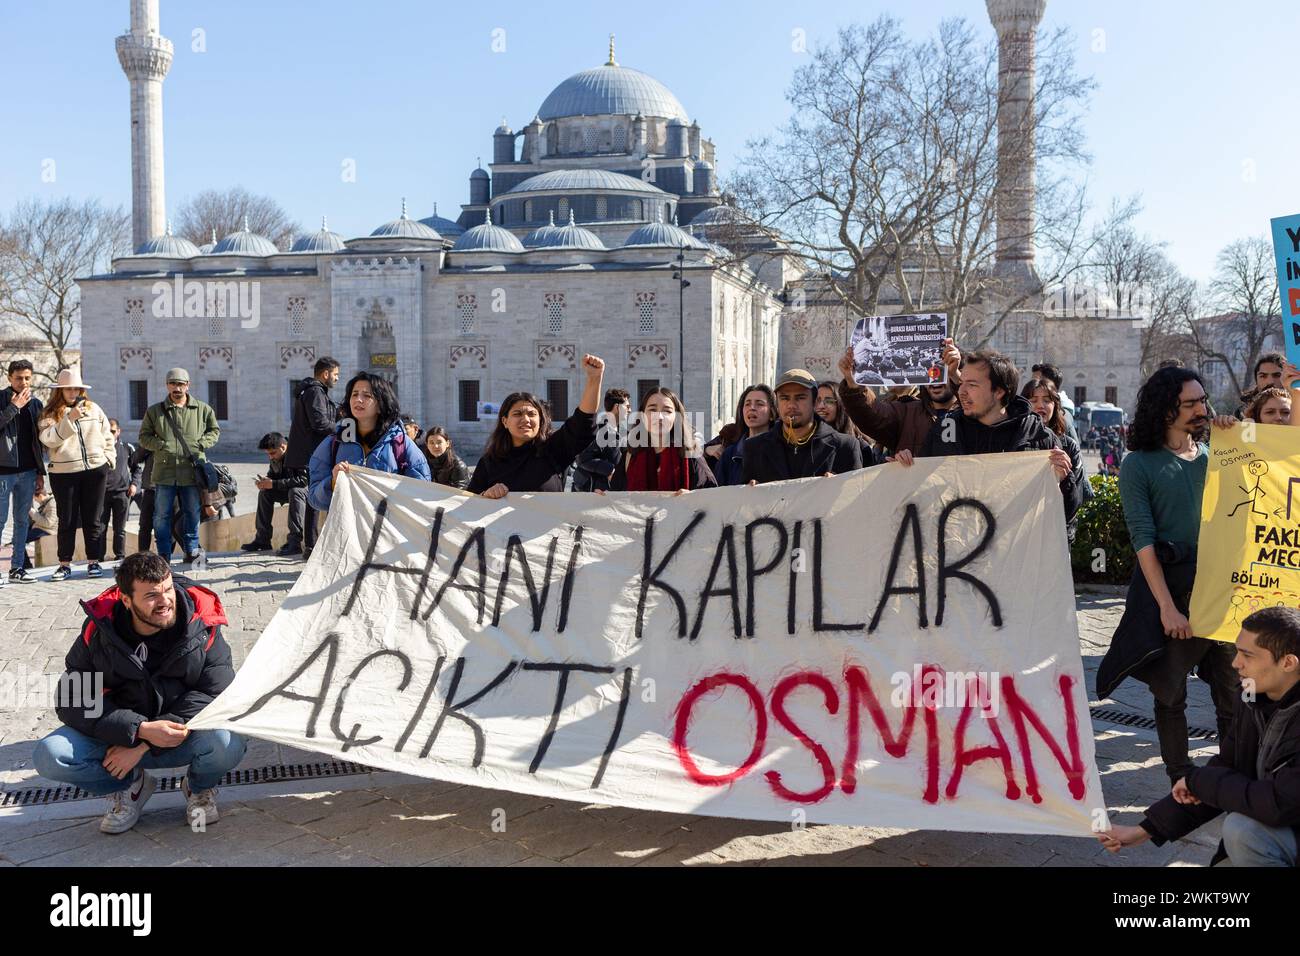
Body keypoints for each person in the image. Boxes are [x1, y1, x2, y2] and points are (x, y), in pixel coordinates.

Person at [31, 552, 246, 834]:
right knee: (51, 755)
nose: (165, 601)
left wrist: (145, 744)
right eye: (152, 596)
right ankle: (131, 785)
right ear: (126, 599)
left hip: (181, 734)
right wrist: (139, 730)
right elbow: (73, 699)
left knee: (228, 741)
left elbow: (216, 691)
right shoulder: (100, 630)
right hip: (119, 738)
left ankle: (199, 788)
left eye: (168, 589)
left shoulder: (201, 623)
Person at [1096, 367, 1239, 786]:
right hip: (1171, 589)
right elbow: (1144, 541)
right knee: (1169, 689)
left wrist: (1236, 434)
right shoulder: (1138, 464)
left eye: (1203, 400)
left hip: (1218, 589)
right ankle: (1180, 776)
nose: (1202, 409)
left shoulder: (1216, 455)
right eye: (1191, 403)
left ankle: (1230, 772)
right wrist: (1167, 609)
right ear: (1165, 410)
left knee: (1231, 689)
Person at [1099, 606, 1300, 867]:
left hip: (1280, 830)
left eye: (1247, 655)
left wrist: (1198, 781)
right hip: (1280, 838)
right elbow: (1229, 768)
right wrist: (1146, 829)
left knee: (1242, 831)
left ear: (1287, 662)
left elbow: (1278, 803)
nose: (1235, 663)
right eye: (1237, 650)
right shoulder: (1251, 695)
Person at [467, 354, 606, 498]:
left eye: (532, 414)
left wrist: (594, 379)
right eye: (517, 414)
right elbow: (467, 506)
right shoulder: (489, 462)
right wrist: (485, 495)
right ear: (505, 421)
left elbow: (583, 421)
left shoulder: (553, 450)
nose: (526, 419)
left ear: (540, 420)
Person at [307, 372, 431, 512]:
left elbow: (422, 492)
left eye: (367, 395)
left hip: (386, 530)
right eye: (354, 394)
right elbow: (314, 499)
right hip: (348, 531)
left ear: (380, 404)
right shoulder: (334, 442)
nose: (358, 400)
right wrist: (333, 482)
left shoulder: (400, 444)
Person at [38, 368, 116, 582]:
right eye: (68, 388)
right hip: (64, 473)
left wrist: (109, 459)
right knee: (67, 519)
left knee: (94, 518)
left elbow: (107, 435)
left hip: (95, 470)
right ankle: (64, 564)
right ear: (60, 391)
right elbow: (49, 439)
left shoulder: (93, 409)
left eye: (76, 388)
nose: (73, 392)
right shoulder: (49, 414)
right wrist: (69, 420)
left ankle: (94, 562)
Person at [137, 368, 220, 566]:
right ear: (167, 385)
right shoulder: (155, 411)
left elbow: (214, 431)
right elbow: (143, 437)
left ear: (188, 385)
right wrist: (161, 445)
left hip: (192, 472)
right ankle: (164, 553)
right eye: (173, 384)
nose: (177, 388)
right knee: (161, 516)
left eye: (181, 384)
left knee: (192, 512)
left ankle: (191, 551)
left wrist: (202, 443)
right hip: (165, 472)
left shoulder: (202, 409)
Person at [742, 369, 862, 484]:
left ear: (814, 402)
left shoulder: (844, 447)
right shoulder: (754, 448)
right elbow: (743, 500)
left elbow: (855, 498)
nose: (791, 405)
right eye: (784, 398)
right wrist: (752, 493)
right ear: (777, 403)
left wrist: (837, 488)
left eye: (800, 398)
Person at [837, 345, 958, 457]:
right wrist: (854, 383)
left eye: (942, 372)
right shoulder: (906, 412)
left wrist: (958, 378)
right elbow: (871, 414)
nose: (935, 379)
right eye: (930, 372)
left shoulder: (971, 413)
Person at [606, 387, 717, 492]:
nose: (659, 417)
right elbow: (617, 499)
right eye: (652, 410)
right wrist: (602, 499)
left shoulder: (691, 454)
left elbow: (711, 497)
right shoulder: (630, 456)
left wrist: (691, 498)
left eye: (667, 411)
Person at [286, 357, 340, 560]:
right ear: (325, 374)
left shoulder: (314, 392)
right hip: (311, 455)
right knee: (315, 499)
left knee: (313, 499)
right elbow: (319, 423)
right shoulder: (315, 392)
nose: (336, 378)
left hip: (310, 454)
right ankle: (311, 546)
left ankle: (311, 545)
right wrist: (342, 428)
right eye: (335, 374)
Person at [0, 359, 45, 585]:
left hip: (28, 472)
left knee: (21, 522)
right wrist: (13, 408)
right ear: (9, 378)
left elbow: (39, 442)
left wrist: (40, 473)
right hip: (2, 472)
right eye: (18, 378)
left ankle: (16, 568)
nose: (23, 382)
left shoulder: (36, 404)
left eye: (27, 378)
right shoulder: (1, 399)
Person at [1022, 378, 1085, 540]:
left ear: (1055, 406)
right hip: (1020, 536)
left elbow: (1075, 503)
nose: (1040, 405)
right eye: (1033, 400)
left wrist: (1065, 478)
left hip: (1056, 537)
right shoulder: (1015, 442)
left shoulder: (1068, 447)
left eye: (1047, 400)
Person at [241, 432, 308, 554]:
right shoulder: (275, 457)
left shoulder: (298, 453)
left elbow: (303, 481)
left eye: (272, 453)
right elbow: (272, 476)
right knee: (264, 494)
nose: (271, 457)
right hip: (286, 490)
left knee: (295, 492)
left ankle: (295, 542)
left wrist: (274, 484)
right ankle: (262, 540)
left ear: (283, 446)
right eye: (268, 454)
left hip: (305, 493)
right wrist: (264, 482)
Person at [713, 385, 778, 487]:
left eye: (759, 404)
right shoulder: (729, 454)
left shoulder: (781, 451)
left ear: (772, 413)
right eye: (747, 404)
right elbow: (715, 492)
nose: (752, 408)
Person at [573, 387, 631, 493]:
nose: (630, 410)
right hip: (593, 497)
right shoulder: (598, 430)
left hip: (615, 494)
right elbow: (582, 458)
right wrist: (610, 470)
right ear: (617, 407)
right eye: (627, 407)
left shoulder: (624, 433)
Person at [816, 380, 878, 467]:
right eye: (817, 401)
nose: (821, 406)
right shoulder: (806, 443)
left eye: (829, 401)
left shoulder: (861, 447)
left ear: (841, 405)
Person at [101, 419, 136, 562]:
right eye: (107, 431)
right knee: (100, 528)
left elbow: (137, 469)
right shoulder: (97, 448)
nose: (110, 434)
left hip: (122, 493)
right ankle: (98, 558)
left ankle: (120, 557)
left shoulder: (127, 447)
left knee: (120, 529)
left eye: (113, 431)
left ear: (119, 432)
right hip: (102, 494)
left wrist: (134, 484)